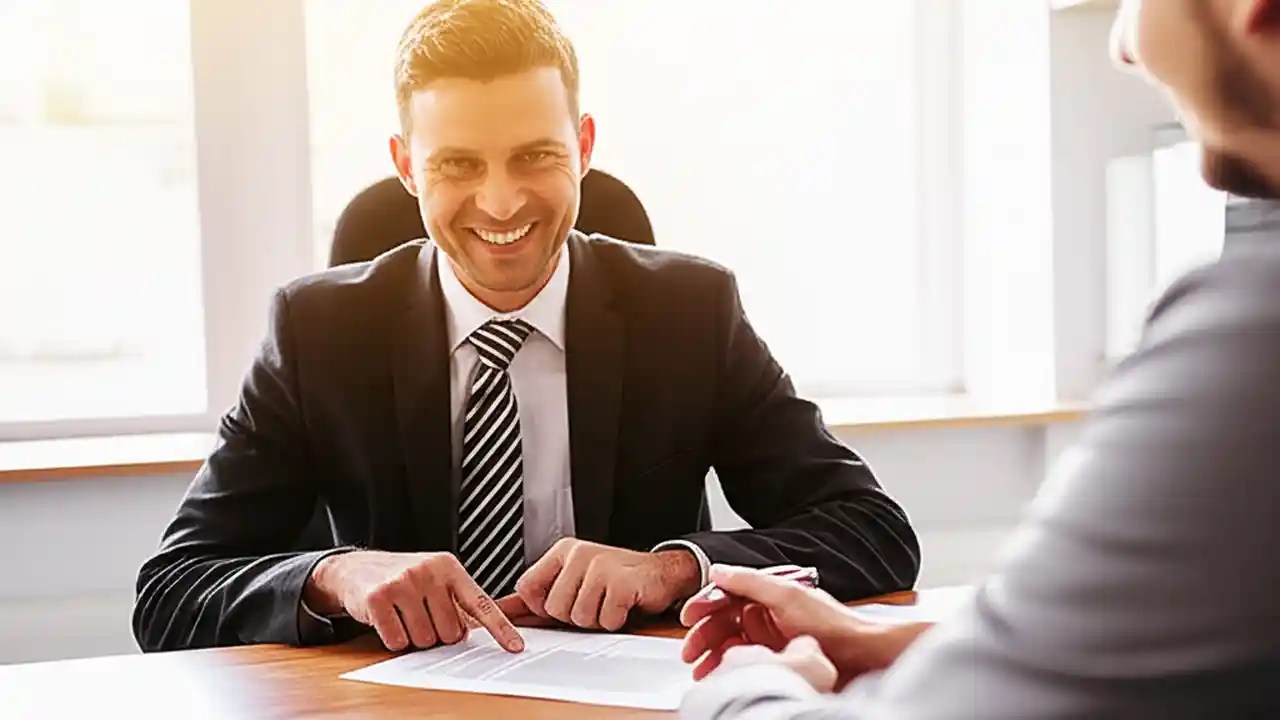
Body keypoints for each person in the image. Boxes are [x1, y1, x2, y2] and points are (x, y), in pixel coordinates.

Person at [131, 0, 920, 654]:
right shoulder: (317, 331)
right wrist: (334, 576)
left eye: (535, 155)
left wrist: (676, 569)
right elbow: (170, 592)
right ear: (407, 167)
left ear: (582, 148)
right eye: (458, 165)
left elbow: (874, 531)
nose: (502, 203)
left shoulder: (690, 311)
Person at [679, 0, 1280, 717]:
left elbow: (863, 526)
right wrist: (881, 641)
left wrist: (744, 685)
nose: (1123, 43)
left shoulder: (1251, 341)